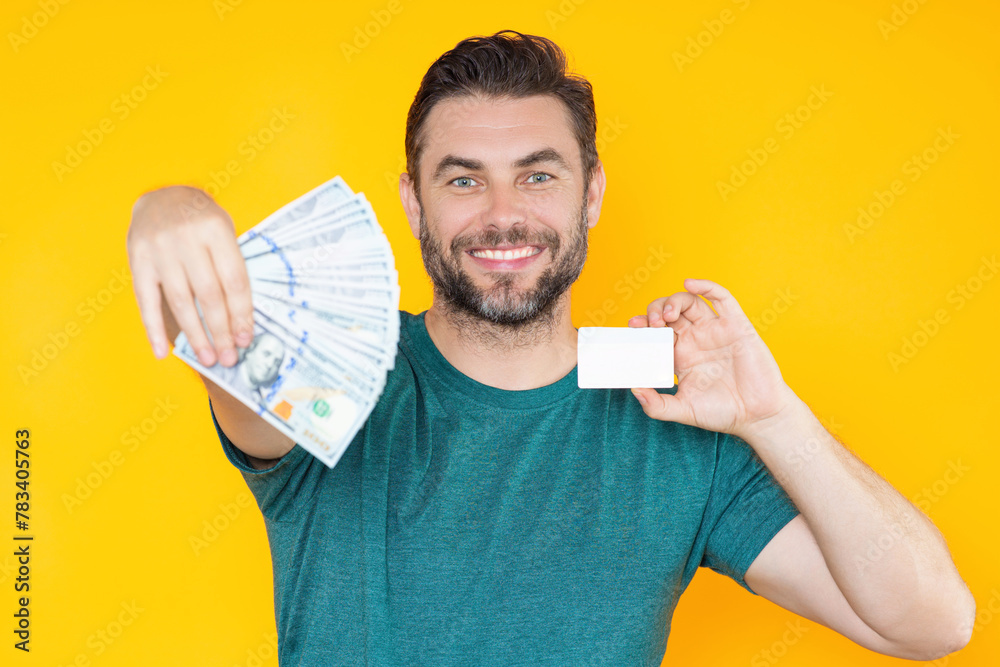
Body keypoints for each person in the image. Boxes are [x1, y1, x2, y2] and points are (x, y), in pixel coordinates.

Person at [126, 30, 974, 665]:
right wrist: (172, 209)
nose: (503, 213)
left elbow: (933, 622)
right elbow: (217, 331)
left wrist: (775, 416)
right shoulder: (339, 372)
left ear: (592, 192)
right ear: (414, 204)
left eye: (538, 174)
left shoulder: (670, 406)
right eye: (463, 179)